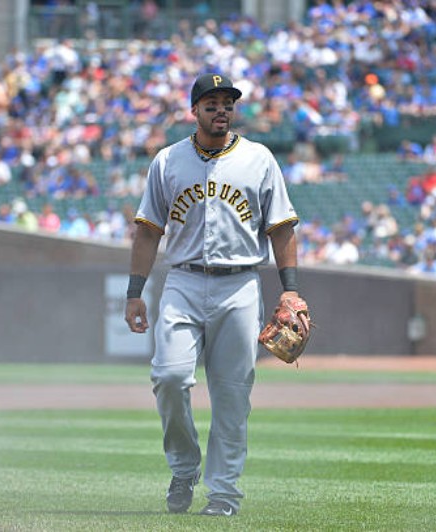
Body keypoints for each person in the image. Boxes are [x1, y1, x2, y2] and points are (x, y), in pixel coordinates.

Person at [124, 73, 303, 517]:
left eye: (227, 102)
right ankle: (185, 468)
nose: (221, 109)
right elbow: (148, 232)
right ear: (195, 110)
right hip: (182, 281)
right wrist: (134, 293)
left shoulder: (259, 159)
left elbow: (281, 228)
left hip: (240, 283)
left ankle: (223, 493)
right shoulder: (168, 161)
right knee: (169, 377)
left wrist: (291, 292)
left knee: (231, 395)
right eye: (211, 102)